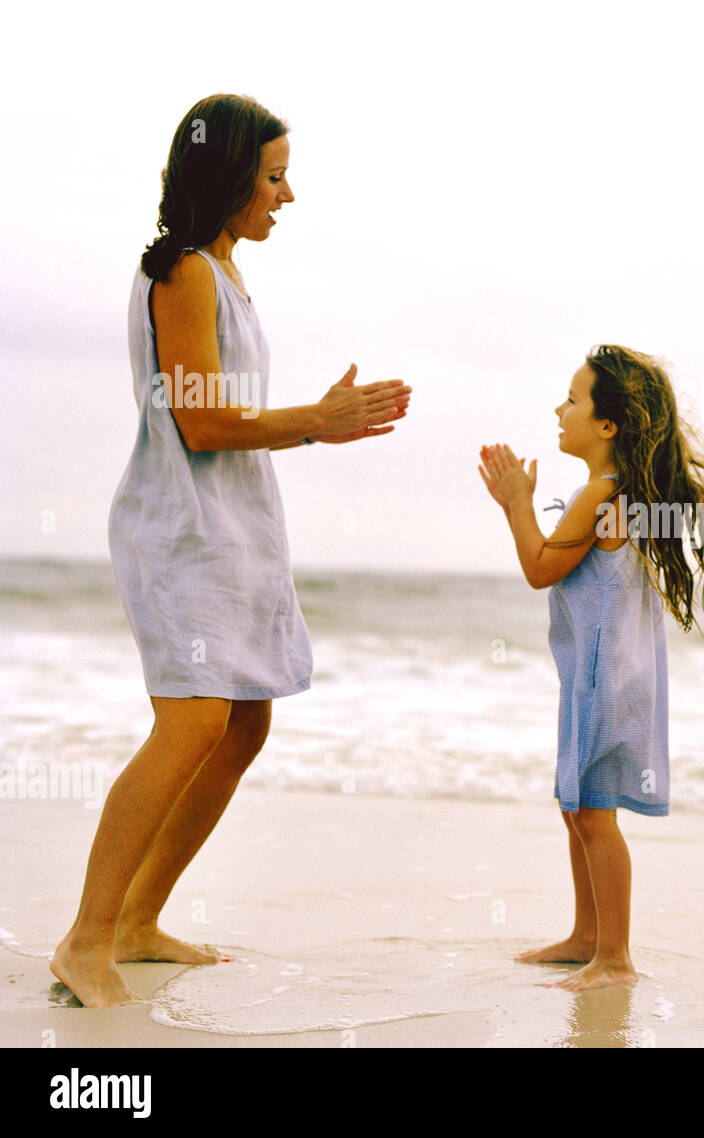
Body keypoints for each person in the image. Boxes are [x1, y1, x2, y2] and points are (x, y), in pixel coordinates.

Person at [52, 94, 412, 1008]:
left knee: (244, 722)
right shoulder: (184, 271)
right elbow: (201, 422)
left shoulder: (223, 270)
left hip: (235, 528)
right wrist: (316, 425)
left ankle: (137, 921)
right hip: (180, 526)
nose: (287, 196)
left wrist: (313, 427)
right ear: (229, 176)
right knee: (195, 722)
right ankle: (86, 941)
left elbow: (224, 416)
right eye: (276, 177)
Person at [478, 345, 704, 990]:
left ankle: (614, 957)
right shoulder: (623, 492)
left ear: (608, 424)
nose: (560, 410)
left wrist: (515, 503)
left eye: (574, 400)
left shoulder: (601, 492)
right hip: (607, 672)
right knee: (576, 803)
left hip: (604, 677)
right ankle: (587, 935)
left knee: (592, 810)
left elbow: (539, 569)